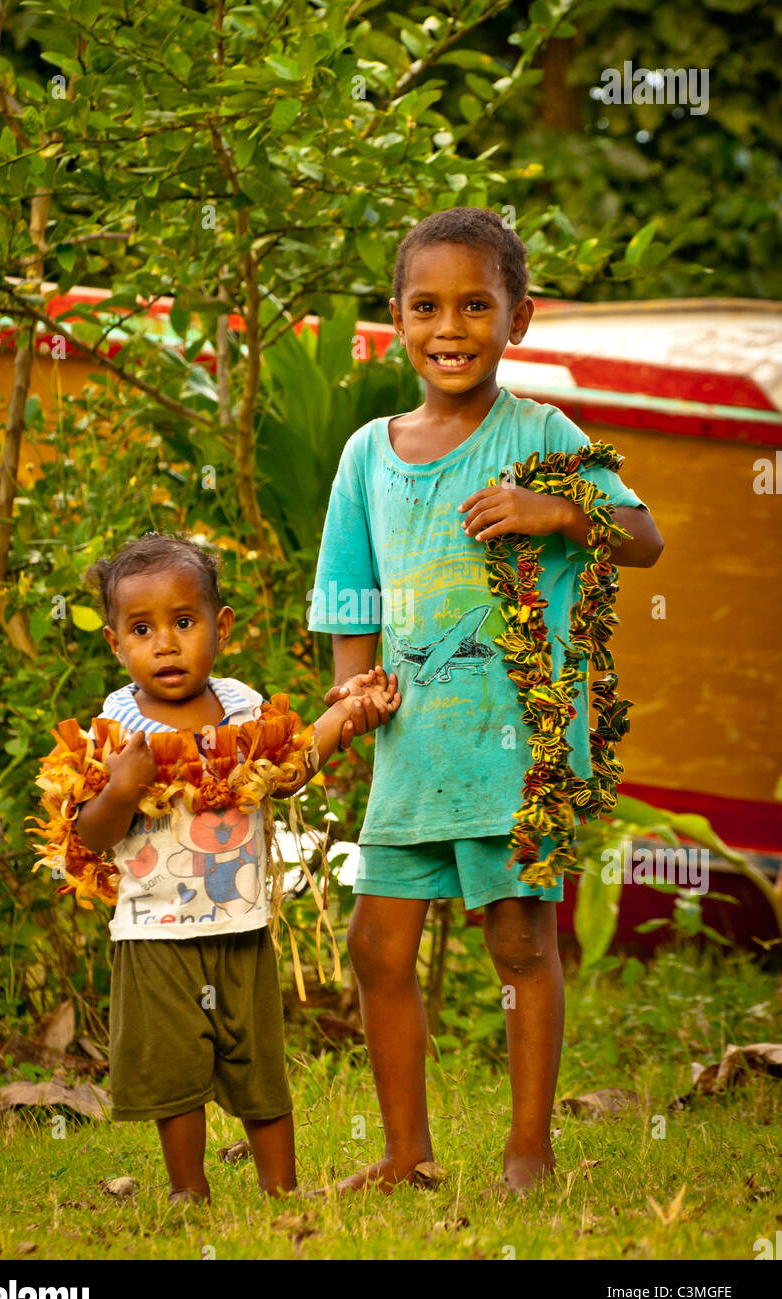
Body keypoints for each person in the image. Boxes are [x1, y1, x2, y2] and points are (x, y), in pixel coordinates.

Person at [308, 207, 664, 1194]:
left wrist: (557, 509)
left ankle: (527, 1150)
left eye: (477, 304)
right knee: (376, 945)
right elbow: (348, 592)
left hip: (517, 753)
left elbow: (642, 538)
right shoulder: (366, 456)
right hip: (411, 746)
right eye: (427, 306)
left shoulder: (541, 434)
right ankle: (404, 1152)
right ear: (395, 318)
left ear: (520, 318)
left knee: (517, 936)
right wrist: (349, 691)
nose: (451, 326)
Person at [73, 530, 400, 1203]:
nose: (165, 643)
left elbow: (287, 770)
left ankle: (282, 1189)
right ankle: (189, 1190)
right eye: (142, 628)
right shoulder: (117, 726)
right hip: (155, 933)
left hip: (240, 924)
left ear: (219, 628)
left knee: (259, 1067)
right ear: (115, 643)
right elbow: (89, 832)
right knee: (175, 1068)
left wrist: (342, 718)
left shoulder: (243, 707)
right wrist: (121, 789)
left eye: (184, 622)